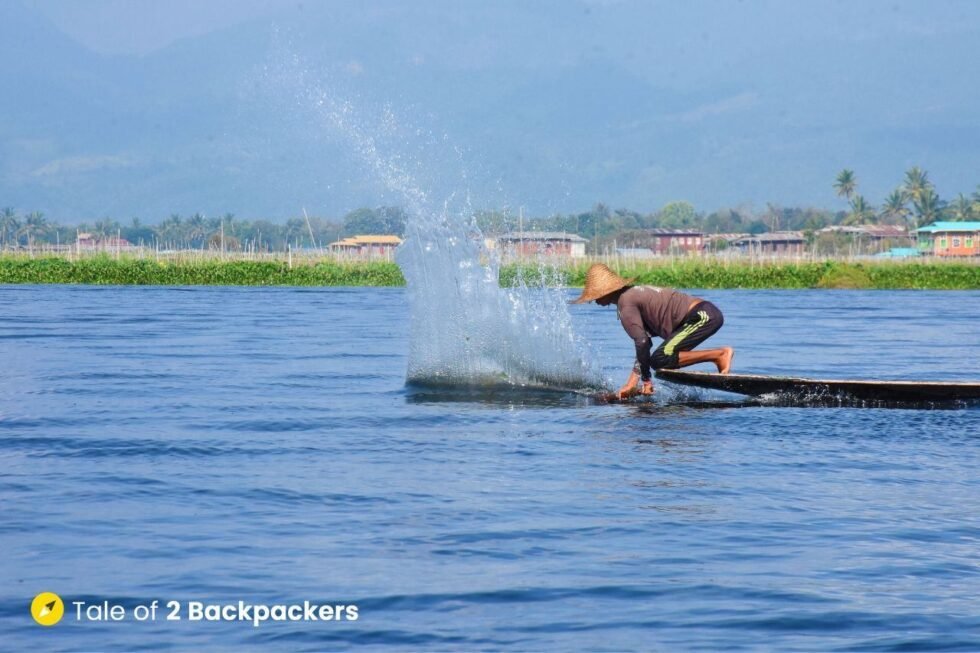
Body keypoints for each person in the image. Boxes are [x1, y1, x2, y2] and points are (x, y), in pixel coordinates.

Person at [572, 263, 733, 400]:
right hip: (704, 313)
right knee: (660, 358)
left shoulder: (625, 303)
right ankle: (719, 358)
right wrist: (631, 384)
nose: (594, 300)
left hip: (702, 316)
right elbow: (645, 344)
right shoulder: (631, 296)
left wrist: (646, 380)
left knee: (660, 359)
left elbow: (641, 342)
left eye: (595, 296)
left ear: (607, 291)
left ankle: (719, 355)